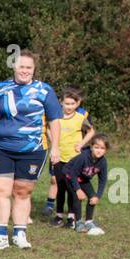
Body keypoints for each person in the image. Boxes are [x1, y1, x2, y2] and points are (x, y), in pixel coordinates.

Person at [0, 49, 63, 250]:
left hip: (33, 150)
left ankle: (20, 233)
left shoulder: (45, 91)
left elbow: (54, 121)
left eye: (29, 67)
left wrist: (56, 147)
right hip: (1, 147)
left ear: (34, 70)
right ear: (14, 66)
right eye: (21, 66)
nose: (25, 71)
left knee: (22, 192)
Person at [44, 87, 93, 227]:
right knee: (60, 186)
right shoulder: (55, 116)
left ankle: (71, 217)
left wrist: (82, 144)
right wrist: (54, 143)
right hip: (58, 156)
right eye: (67, 103)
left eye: (72, 104)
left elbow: (91, 131)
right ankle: (59, 215)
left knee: (72, 187)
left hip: (75, 158)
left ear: (77, 104)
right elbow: (47, 128)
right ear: (61, 102)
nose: (69, 106)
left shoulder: (80, 117)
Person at [61, 134, 110, 235]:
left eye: (102, 148)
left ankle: (88, 221)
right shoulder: (83, 157)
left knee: (92, 198)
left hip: (83, 178)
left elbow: (103, 180)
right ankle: (78, 222)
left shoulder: (103, 162)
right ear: (91, 147)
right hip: (69, 175)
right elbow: (73, 173)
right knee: (77, 197)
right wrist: (78, 190)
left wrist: (98, 196)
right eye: (96, 147)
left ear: (106, 150)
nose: (99, 150)